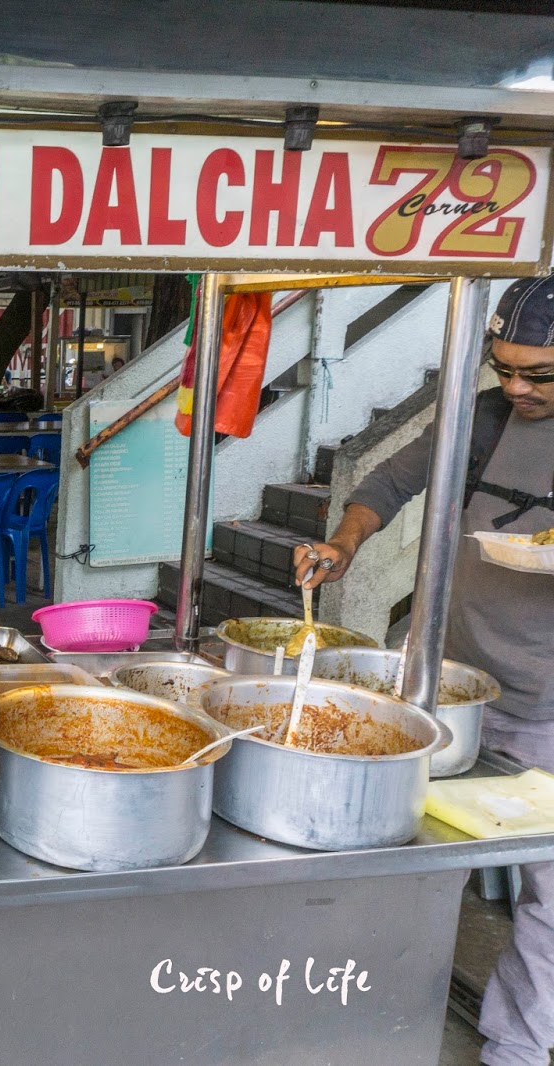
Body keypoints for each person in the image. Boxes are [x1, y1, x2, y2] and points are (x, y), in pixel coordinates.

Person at [294, 277, 554, 1066]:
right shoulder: (488, 418)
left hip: (548, 709)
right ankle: (354, 1020)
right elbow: (388, 482)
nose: (515, 387)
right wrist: (346, 543)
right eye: (502, 366)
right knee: (382, 853)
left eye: (539, 374)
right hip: (444, 682)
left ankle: (519, 1048)